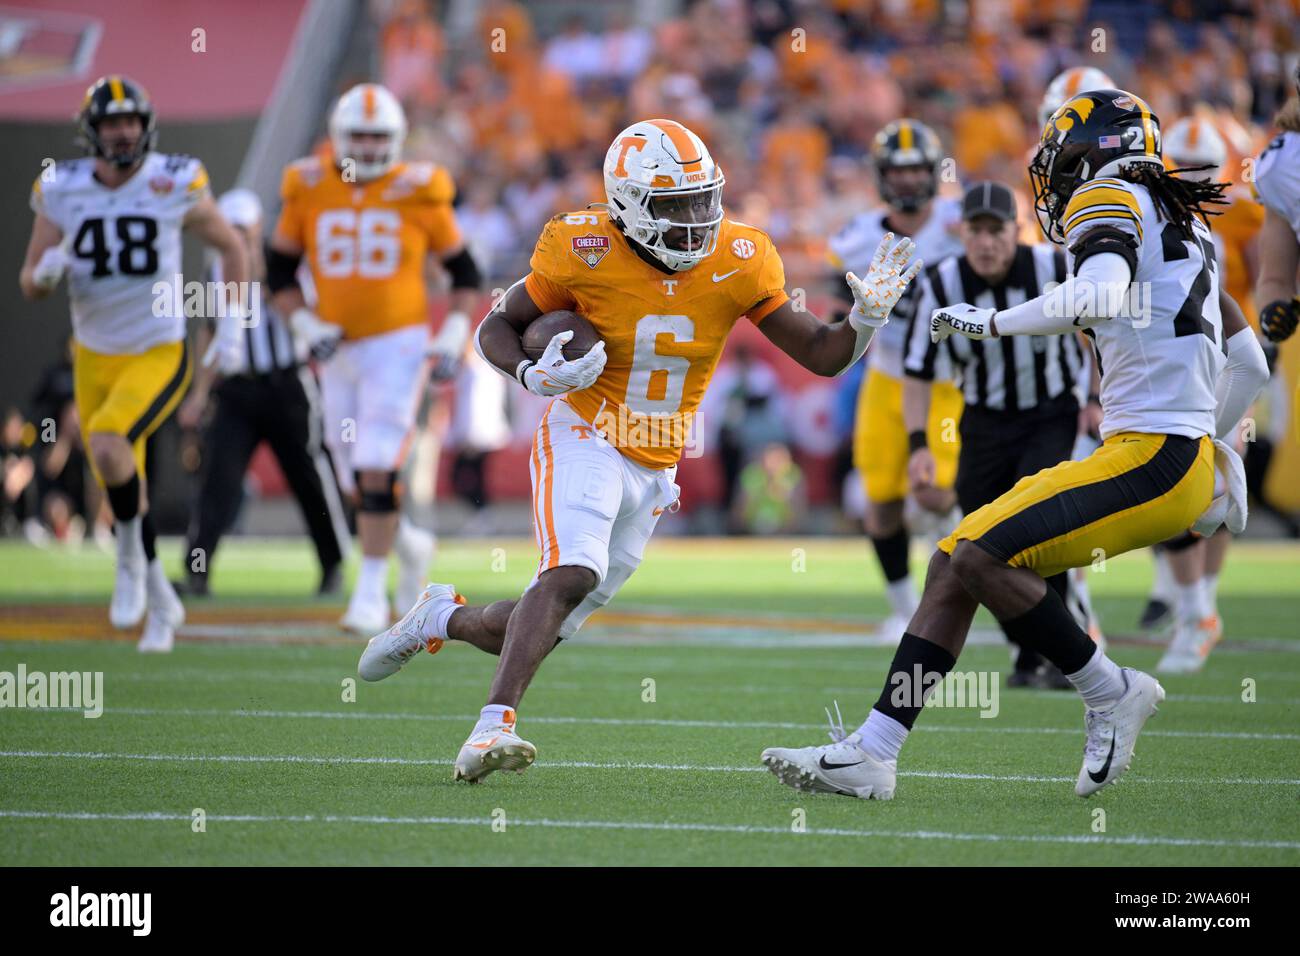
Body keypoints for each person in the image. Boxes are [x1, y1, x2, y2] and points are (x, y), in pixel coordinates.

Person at [358, 117, 922, 784]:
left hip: (657, 463)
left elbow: (823, 356)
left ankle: (440, 617)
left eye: (703, 199)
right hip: (585, 431)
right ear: (627, 205)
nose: (696, 219)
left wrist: (864, 321)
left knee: (548, 618)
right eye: (675, 206)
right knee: (571, 573)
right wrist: (531, 375)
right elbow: (497, 326)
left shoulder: (740, 256)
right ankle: (491, 728)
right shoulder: (583, 244)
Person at [760, 89, 1268, 801]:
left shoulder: (1110, 197)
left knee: (977, 554)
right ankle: (874, 752)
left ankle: (1108, 688)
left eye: (1063, 157)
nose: (1057, 176)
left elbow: (1094, 297)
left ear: (1098, 152)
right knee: (953, 558)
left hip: (1149, 452)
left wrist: (988, 324)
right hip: (1167, 456)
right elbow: (1252, 365)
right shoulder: (1186, 225)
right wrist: (1217, 445)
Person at [19, 74, 249, 652]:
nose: (122, 132)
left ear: (145, 127)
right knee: (121, 473)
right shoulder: (63, 188)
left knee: (107, 444)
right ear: (90, 132)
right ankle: (161, 599)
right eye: (110, 123)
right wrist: (43, 275)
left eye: (130, 122)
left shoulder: (173, 181)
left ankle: (126, 562)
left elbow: (233, 246)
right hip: (93, 357)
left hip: (157, 351)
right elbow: (29, 280)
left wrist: (234, 325)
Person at [266, 83, 482, 633]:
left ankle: (369, 595)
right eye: (358, 136)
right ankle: (409, 542)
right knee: (352, 475)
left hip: (398, 345)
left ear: (397, 139)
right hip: (337, 347)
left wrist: (455, 328)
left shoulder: (420, 187)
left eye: (377, 137)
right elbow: (279, 272)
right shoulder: (308, 184)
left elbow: (464, 273)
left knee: (376, 461)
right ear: (338, 138)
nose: (366, 147)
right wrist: (304, 321)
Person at [903, 181, 1091, 688]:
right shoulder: (942, 283)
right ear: (961, 233)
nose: (986, 243)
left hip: (1049, 412)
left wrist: (1096, 398)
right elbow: (917, 370)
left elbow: (1097, 330)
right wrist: (918, 447)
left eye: (996, 230)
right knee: (981, 542)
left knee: (1037, 529)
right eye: (976, 231)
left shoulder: (1052, 269)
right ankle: (1027, 650)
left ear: (1017, 231)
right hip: (983, 420)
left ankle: (1068, 652)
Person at [828, 119, 964, 643]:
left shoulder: (959, 221)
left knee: (934, 494)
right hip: (885, 377)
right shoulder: (859, 235)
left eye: (916, 170)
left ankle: (966, 590)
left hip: (949, 377)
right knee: (879, 501)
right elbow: (830, 286)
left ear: (933, 173)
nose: (907, 181)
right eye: (897, 171)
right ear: (881, 176)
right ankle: (906, 610)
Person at [178, 189, 350, 597]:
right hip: (237, 389)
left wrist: (268, 284)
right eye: (229, 230)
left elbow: (308, 316)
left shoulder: (281, 265)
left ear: (258, 229)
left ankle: (333, 564)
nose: (234, 238)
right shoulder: (215, 271)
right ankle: (196, 572)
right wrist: (200, 392)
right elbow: (209, 332)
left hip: (286, 385)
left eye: (242, 231)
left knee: (308, 477)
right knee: (218, 478)